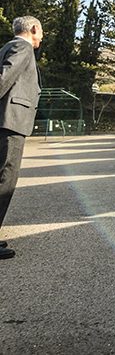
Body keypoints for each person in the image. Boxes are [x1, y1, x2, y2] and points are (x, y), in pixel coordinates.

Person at [0, 16, 44, 261]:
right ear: (34, 29)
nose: (41, 38)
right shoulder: (23, 47)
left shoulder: (7, 46)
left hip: (6, 120)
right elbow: (4, 79)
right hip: (11, 121)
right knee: (5, 179)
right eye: (41, 32)